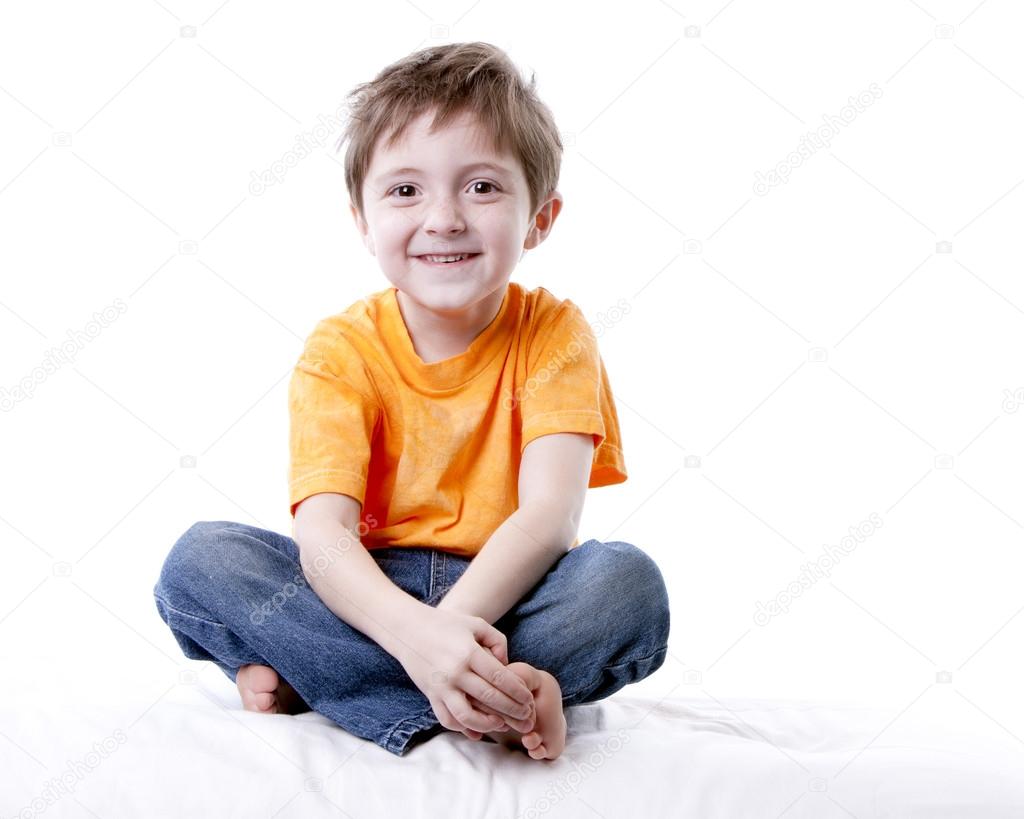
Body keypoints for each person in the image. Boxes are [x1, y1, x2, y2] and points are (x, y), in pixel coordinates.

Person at [153, 41, 670, 761]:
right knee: (201, 561)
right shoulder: (341, 348)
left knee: (625, 587)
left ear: (540, 218)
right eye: (405, 190)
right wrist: (417, 637)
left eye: (483, 187)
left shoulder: (556, 332)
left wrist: (446, 632)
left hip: (512, 594)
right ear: (362, 219)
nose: (445, 218)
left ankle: (340, 682)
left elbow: (550, 518)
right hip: (364, 595)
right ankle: (498, 695)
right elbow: (326, 538)